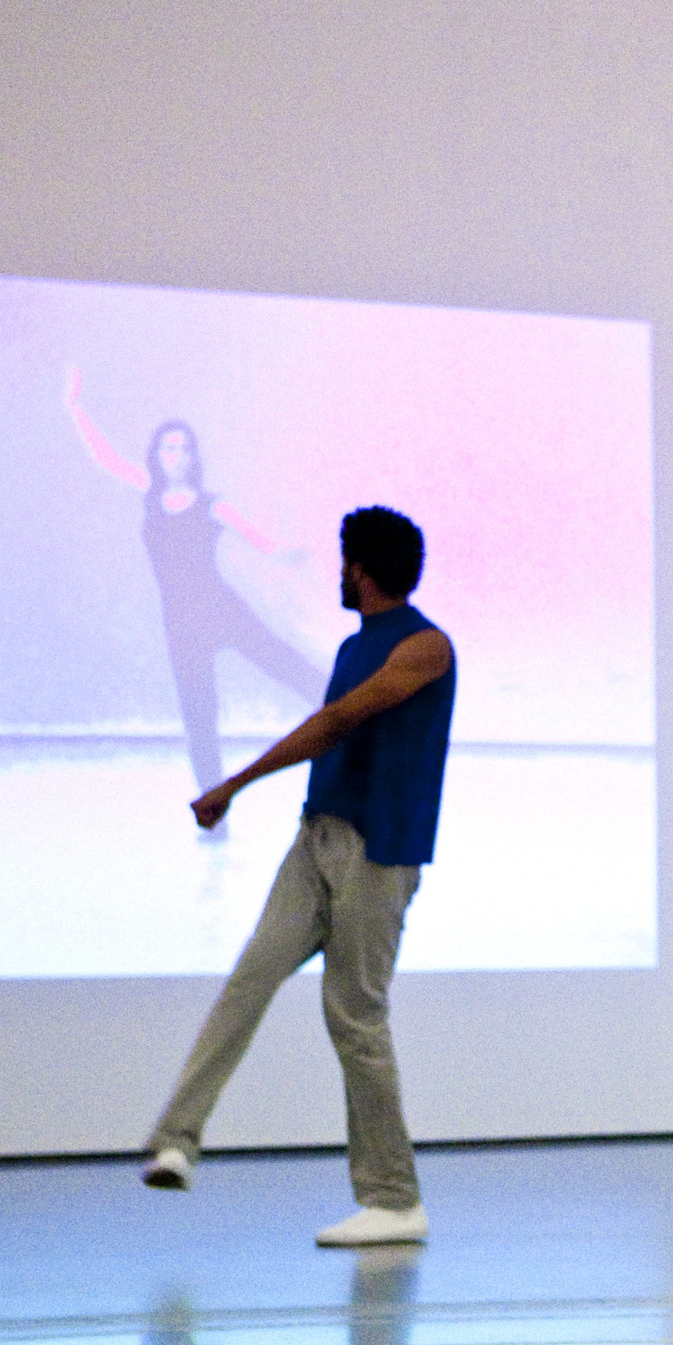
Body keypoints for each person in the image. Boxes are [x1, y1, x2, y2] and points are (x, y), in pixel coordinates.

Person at [140, 506, 456, 1248]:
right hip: (317, 841)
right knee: (252, 975)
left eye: (345, 561)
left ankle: (394, 1199)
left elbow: (337, 722)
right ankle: (176, 1140)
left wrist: (233, 783)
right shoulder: (356, 645)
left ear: (362, 570)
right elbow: (336, 728)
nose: (339, 575)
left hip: (380, 855)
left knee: (355, 1015)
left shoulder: (425, 648)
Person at [65, 370, 327, 801]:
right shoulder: (148, 492)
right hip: (182, 624)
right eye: (169, 447)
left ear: (193, 457)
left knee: (281, 662)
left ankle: (358, 709)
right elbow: (106, 458)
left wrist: (296, 552)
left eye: (184, 448)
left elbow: (261, 542)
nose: (177, 454)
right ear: (158, 455)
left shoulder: (212, 505)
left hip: (221, 608)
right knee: (199, 718)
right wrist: (74, 407)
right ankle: (212, 804)